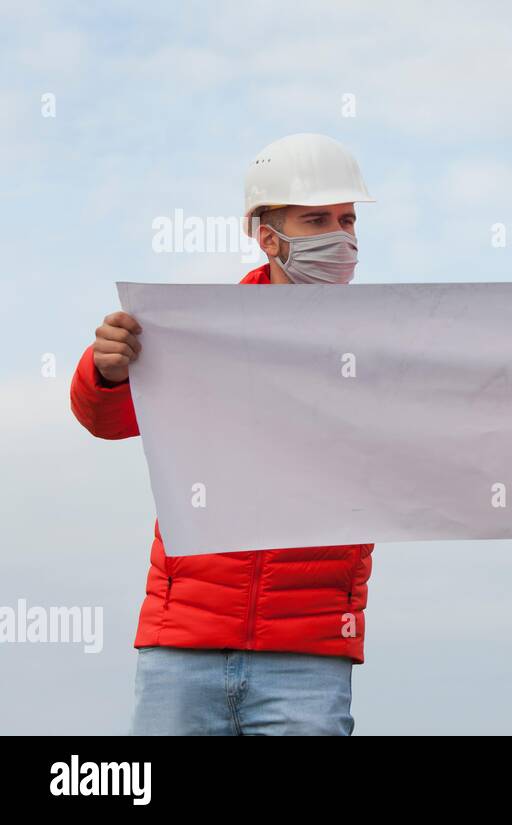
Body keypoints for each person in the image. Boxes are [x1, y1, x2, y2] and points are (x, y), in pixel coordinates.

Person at [70, 133, 377, 735]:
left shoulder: (381, 347)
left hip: (308, 653)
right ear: (267, 235)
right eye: (317, 220)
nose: (340, 238)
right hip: (183, 641)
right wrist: (104, 369)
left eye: (347, 220)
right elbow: (107, 421)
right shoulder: (193, 332)